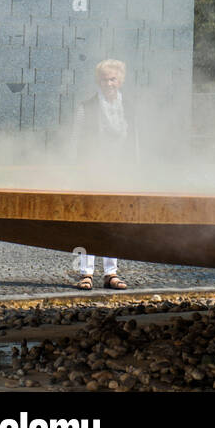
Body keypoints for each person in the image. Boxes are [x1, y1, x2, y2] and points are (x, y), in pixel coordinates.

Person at [72, 59, 138, 291]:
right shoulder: (86, 107)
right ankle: (85, 273)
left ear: (120, 81)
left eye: (113, 78)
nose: (109, 83)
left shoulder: (129, 106)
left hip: (119, 169)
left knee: (113, 220)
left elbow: (135, 141)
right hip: (91, 168)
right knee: (87, 220)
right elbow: (76, 141)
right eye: (104, 79)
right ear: (97, 81)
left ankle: (111, 273)